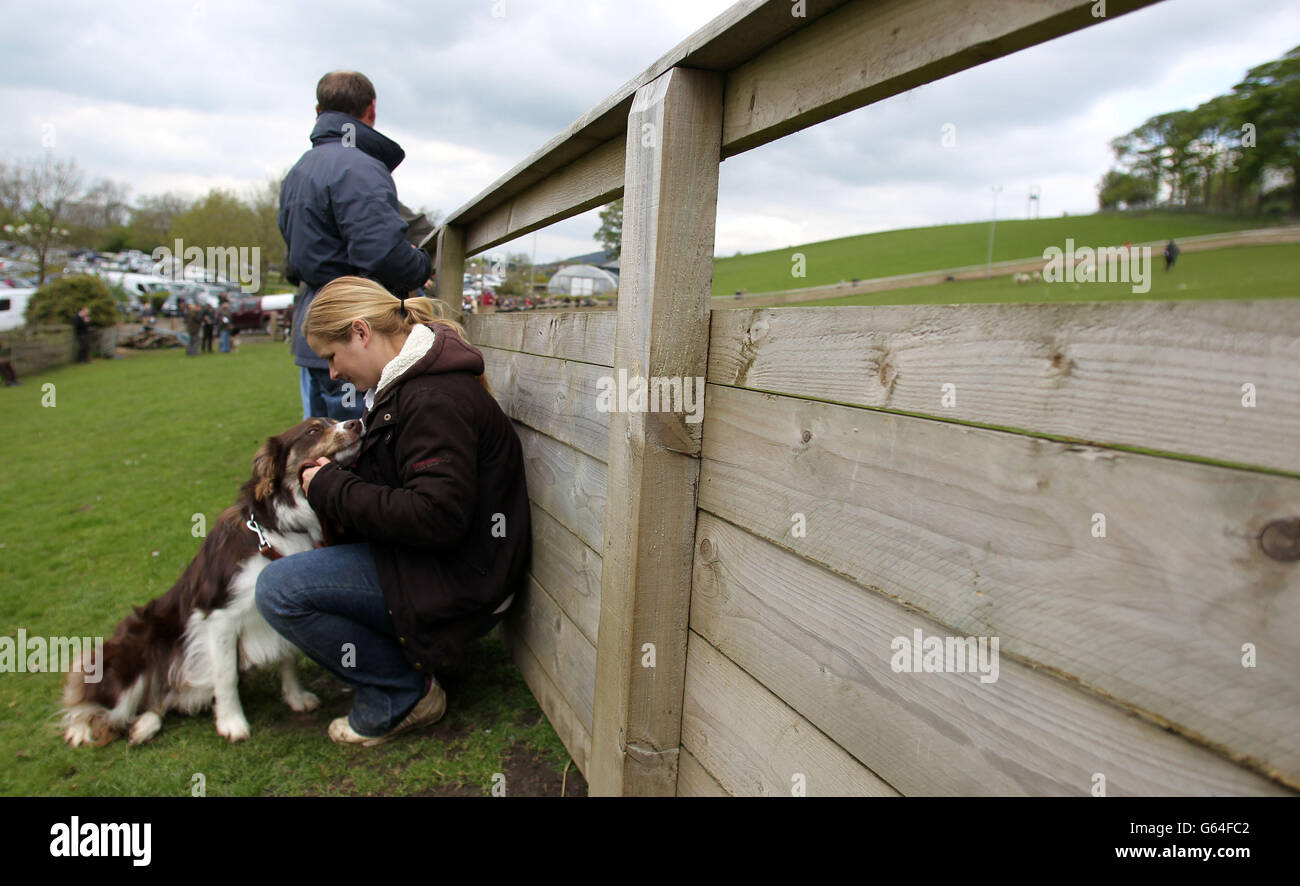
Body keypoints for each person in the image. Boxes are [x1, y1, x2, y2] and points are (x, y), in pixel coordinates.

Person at [254, 276, 531, 745]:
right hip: (456, 568)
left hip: (464, 583)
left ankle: (402, 693)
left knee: (280, 590)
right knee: (299, 574)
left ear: (361, 333)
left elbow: (435, 516)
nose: (333, 374)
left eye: (330, 356)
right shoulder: (411, 385)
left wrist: (332, 489)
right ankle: (397, 666)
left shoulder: (431, 398)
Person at [279, 71, 432, 422]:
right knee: (356, 447)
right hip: (353, 335)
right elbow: (382, 255)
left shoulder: (297, 173)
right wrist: (423, 264)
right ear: (371, 110)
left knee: (320, 448)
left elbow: (292, 265)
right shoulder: (360, 167)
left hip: (313, 336)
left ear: (319, 110)